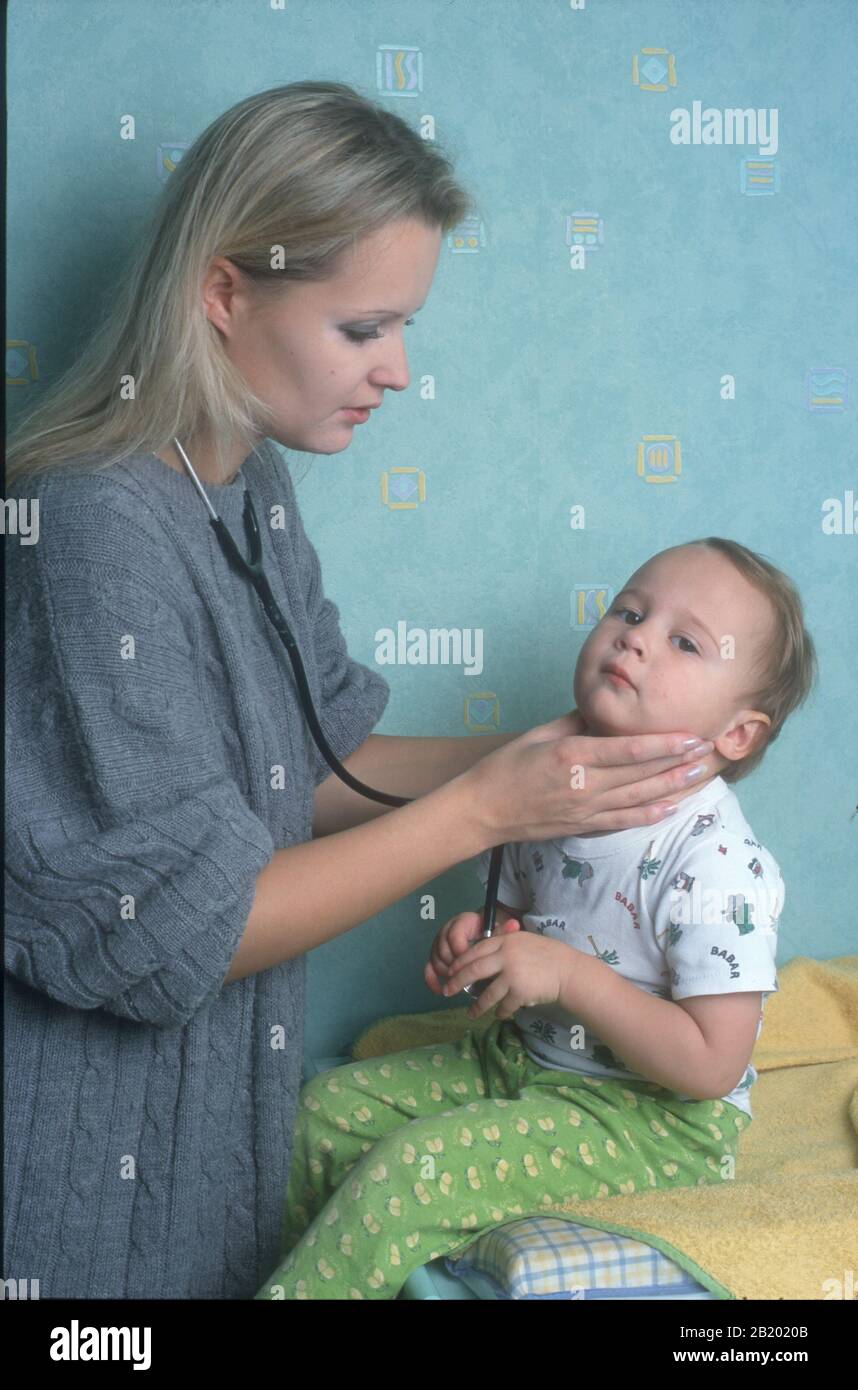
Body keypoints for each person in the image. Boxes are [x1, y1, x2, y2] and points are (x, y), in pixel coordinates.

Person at [4, 81, 720, 1301]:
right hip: (83, 1179)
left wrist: (571, 765)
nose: (397, 370)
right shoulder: (90, 529)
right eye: (363, 329)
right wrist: (486, 809)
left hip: (211, 1146)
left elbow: (319, 756)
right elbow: (194, 925)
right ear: (224, 292)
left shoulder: (246, 484)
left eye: (405, 327)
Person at [258, 537, 816, 1302]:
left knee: (412, 1173)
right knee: (318, 1113)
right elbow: (520, 934)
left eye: (685, 642)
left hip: (649, 1120)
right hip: (524, 1064)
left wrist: (566, 975)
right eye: (630, 610)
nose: (636, 637)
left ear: (738, 734)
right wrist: (481, 945)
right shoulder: (548, 796)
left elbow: (712, 1066)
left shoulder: (717, 863)